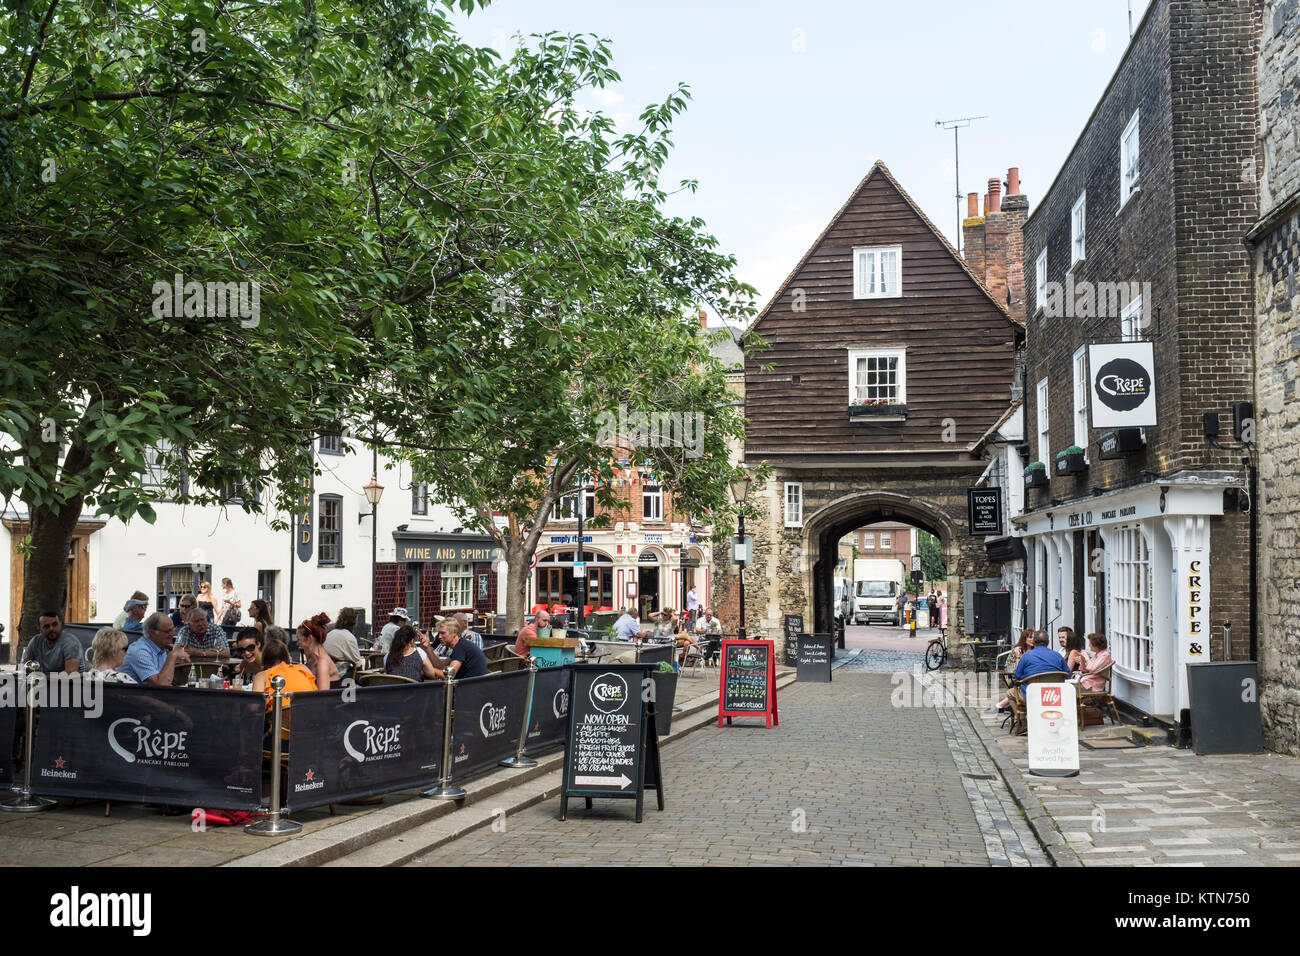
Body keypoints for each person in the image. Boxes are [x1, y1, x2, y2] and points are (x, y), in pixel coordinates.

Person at [1006, 631, 1070, 731]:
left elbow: (1017, 675)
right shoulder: (1057, 655)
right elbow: (1068, 674)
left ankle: (1024, 723)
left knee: (1010, 693)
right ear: (1048, 642)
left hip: (1033, 695)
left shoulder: (1026, 656)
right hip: (1054, 696)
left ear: (1034, 642)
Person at [118, 612, 190, 685]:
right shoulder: (140, 651)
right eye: (168, 631)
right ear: (152, 633)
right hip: (129, 694)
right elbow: (161, 685)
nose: (173, 634)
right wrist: (172, 655)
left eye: (173, 629)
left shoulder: (161, 646)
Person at [986, 629, 1034, 714]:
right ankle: (1002, 706)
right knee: (1017, 687)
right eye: (1030, 637)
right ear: (1024, 638)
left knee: (1016, 691)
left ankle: (1000, 706)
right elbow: (1011, 669)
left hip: (1030, 678)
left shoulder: (1036, 651)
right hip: (1016, 677)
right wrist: (1017, 657)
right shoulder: (1018, 651)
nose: (1032, 639)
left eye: (1034, 637)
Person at [21, 610, 82, 675]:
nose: (51, 629)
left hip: (69, 683)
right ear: (39, 629)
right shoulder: (36, 641)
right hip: (44, 682)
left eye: (54, 624)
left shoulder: (70, 642)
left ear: (60, 624)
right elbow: (24, 665)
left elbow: (70, 672)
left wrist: (42, 679)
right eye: (46, 626)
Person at [297, 613, 341, 689]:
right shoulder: (312, 659)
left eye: (299, 639)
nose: (298, 643)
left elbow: (322, 696)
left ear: (309, 639)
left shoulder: (322, 663)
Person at [324, 607, 363, 673]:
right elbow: (358, 665)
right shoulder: (349, 637)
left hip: (324, 672)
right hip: (338, 675)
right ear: (354, 622)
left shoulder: (331, 633)